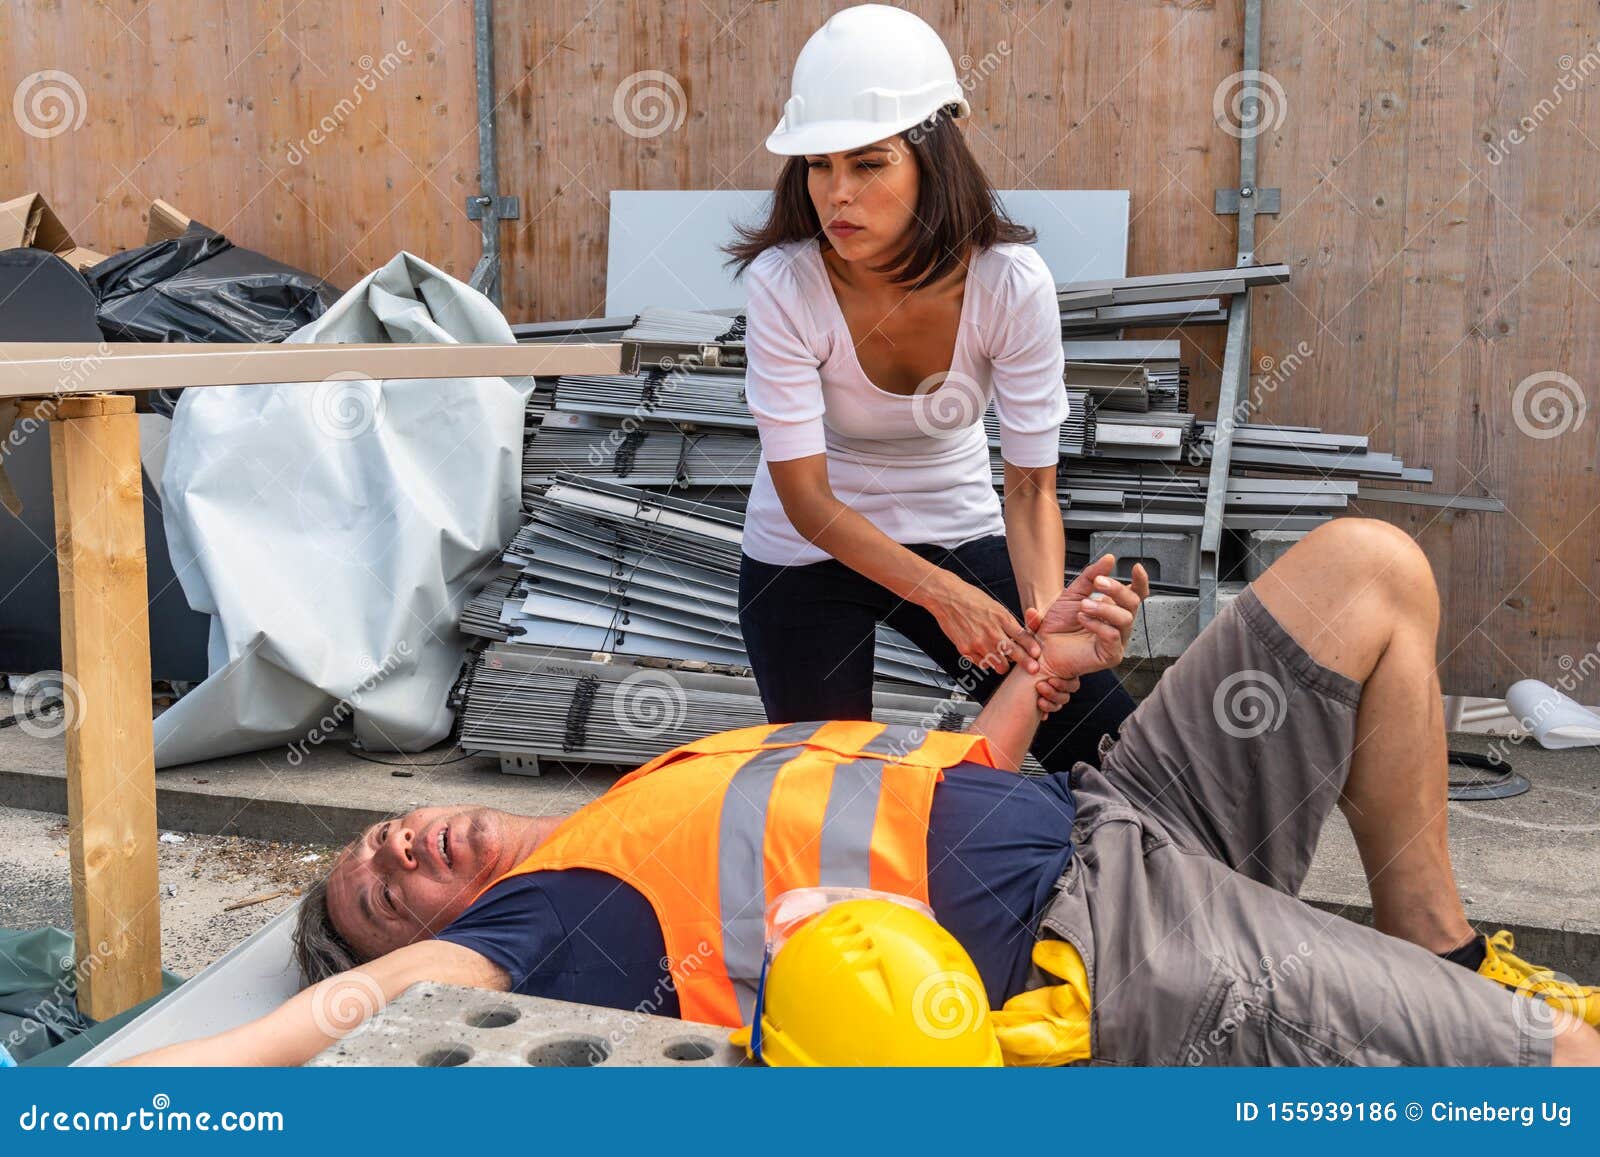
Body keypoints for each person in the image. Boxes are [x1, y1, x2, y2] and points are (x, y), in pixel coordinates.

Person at [126, 522, 1600, 1066]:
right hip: (1109, 945)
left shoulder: (650, 782)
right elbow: (326, 1021)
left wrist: (1043, 674)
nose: (404, 841)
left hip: (1122, 809)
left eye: (378, 837)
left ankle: (1437, 938)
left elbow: (937, 793)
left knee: (1371, 572)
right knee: (1549, 1073)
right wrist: (109, 1107)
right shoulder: (555, 923)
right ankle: (1469, 1016)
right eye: (391, 890)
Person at [726, 4, 1134, 771]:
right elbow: (807, 501)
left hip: (954, 525)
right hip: (803, 550)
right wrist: (941, 596)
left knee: (1114, 751)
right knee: (826, 791)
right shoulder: (784, 285)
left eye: (869, 163)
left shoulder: (1010, 285)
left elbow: (1031, 487)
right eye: (819, 165)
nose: (836, 193)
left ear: (931, 157)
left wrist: (1044, 630)